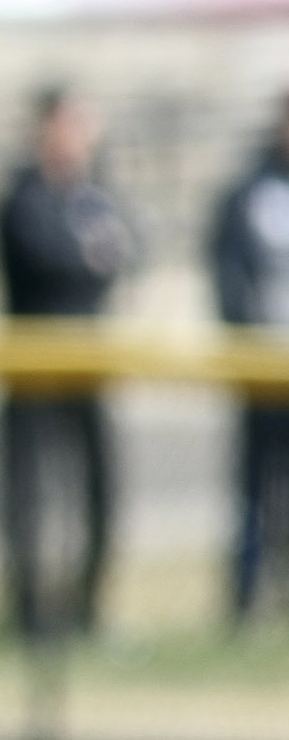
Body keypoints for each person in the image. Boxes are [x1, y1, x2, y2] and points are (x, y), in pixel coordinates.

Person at [0, 86, 135, 639]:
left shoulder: (94, 194)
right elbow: (54, 260)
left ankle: (87, 608)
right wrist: (88, 255)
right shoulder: (22, 196)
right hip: (33, 365)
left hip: (89, 361)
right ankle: (29, 615)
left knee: (99, 487)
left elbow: (125, 249)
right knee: (29, 492)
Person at [208, 92, 289, 625]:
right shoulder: (249, 190)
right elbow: (226, 265)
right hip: (263, 362)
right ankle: (245, 597)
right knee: (254, 488)